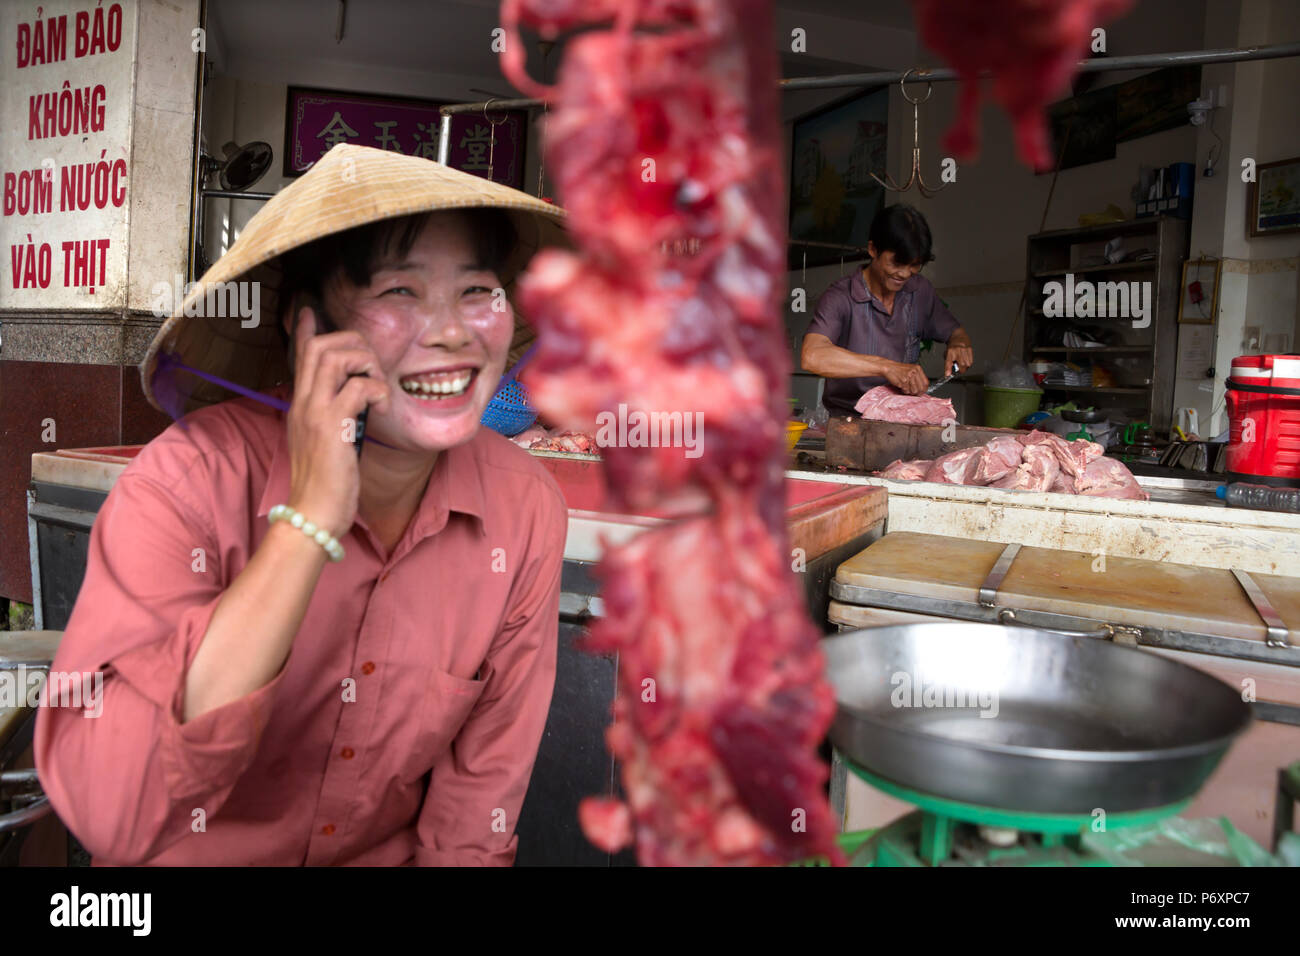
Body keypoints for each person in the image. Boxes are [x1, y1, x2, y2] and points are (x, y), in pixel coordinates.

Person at [34, 144, 569, 866]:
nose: (451, 333)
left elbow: (476, 815)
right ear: (306, 326)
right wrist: (308, 521)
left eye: (477, 291)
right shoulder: (191, 479)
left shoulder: (523, 506)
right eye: (399, 293)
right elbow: (114, 815)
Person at [801, 204, 974, 416]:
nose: (904, 274)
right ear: (873, 249)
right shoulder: (841, 296)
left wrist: (960, 344)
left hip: (902, 420)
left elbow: (955, 332)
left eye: (914, 265)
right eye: (897, 263)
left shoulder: (920, 292)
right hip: (848, 423)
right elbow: (812, 356)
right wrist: (886, 367)